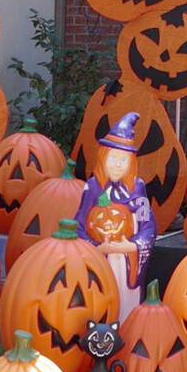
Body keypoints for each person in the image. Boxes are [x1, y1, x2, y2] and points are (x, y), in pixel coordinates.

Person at [76, 113, 157, 313]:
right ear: (103, 158)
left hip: (127, 259)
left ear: (131, 163)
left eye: (124, 160)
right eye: (114, 158)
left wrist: (132, 245)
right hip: (100, 257)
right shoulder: (93, 188)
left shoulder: (138, 189)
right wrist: (96, 248)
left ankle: (126, 324)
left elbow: (148, 224)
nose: (118, 164)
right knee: (100, 296)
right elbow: (78, 224)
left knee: (125, 299)